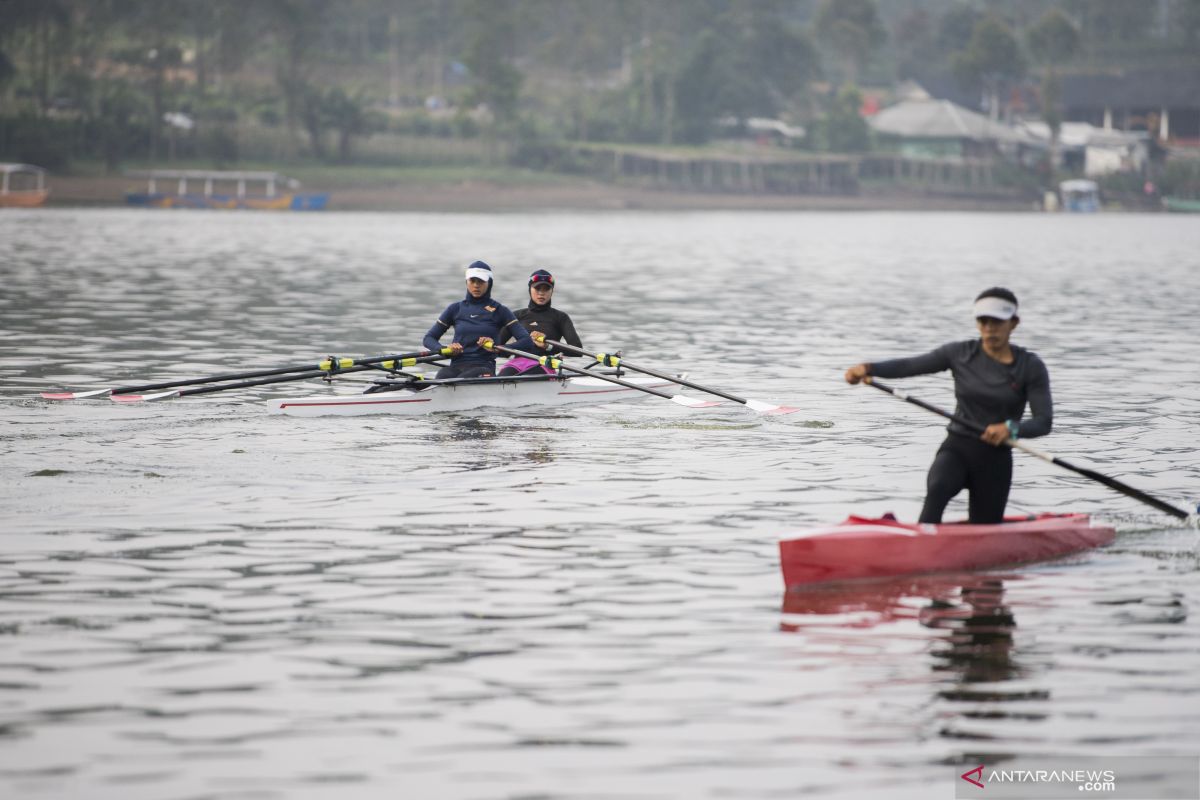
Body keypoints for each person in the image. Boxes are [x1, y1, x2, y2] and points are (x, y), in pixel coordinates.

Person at [844, 287, 1052, 524]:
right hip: (957, 447)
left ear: (1013, 323)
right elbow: (909, 366)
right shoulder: (959, 354)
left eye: (997, 321)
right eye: (983, 321)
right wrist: (868, 369)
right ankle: (919, 542)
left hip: (995, 460)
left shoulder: (1030, 366)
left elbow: (1043, 422)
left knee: (983, 527)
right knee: (938, 487)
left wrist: (1011, 428)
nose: (989, 328)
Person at [423, 261, 536, 379]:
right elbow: (428, 338)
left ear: (489, 283)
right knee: (442, 375)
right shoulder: (455, 309)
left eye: (481, 281)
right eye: (472, 281)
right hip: (456, 365)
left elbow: (526, 341)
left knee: (462, 379)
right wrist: (444, 349)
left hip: (484, 367)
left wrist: (496, 348)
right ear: (466, 282)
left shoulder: (500, 310)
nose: (476, 285)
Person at [497, 268, 583, 376]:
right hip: (516, 364)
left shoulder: (561, 317)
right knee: (503, 377)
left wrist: (548, 346)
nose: (541, 293)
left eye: (546, 289)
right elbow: (498, 347)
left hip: (544, 364)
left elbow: (577, 350)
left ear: (552, 291)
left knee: (526, 378)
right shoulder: (516, 316)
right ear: (530, 289)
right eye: (537, 288)